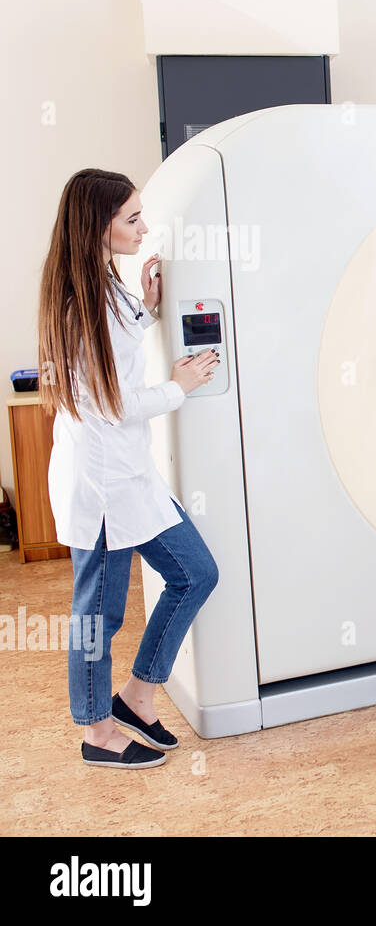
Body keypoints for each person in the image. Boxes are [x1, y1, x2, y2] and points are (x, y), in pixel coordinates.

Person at [37, 168, 221, 769]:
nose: (143, 227)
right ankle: (97, 734)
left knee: (196, 573)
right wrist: (179, 386)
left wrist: (144, 309)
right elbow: (108, 404)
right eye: (132, 219)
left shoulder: (102, 286)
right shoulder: (74, 304)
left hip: (129, 475)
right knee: (99, 613)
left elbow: (110, 352)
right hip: (101, 484)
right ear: (98, 227)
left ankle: (138, 696)